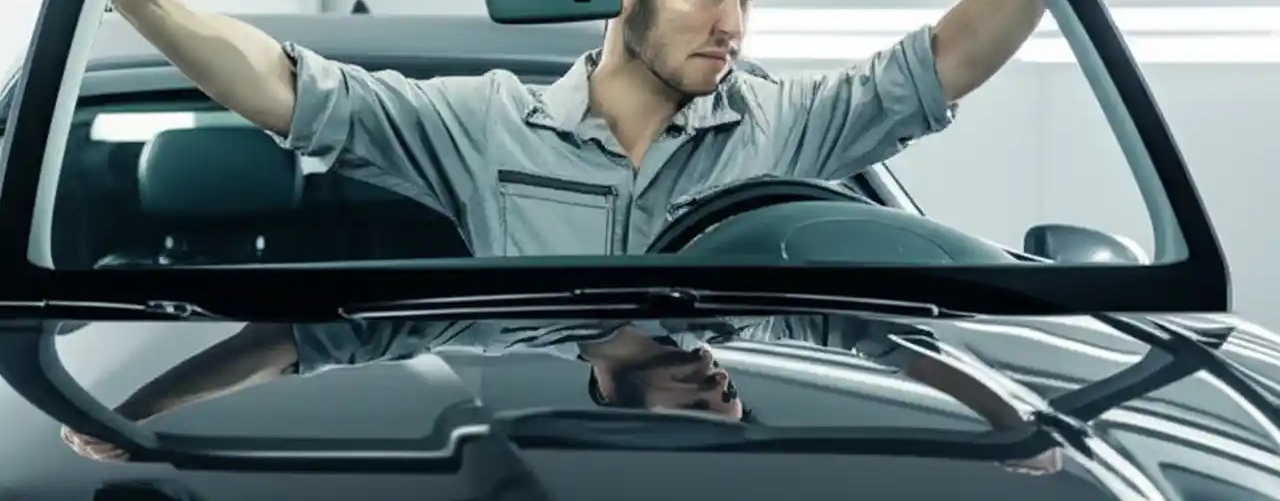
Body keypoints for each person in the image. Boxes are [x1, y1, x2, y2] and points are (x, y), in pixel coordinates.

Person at [44, 0, 1093, 473]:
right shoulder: (483, 127)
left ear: (608, 400)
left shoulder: (794, 135)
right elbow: (284, 89)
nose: (731, 26)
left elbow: (940, 67)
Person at [62, 312, 1063, 474]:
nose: (719, 385)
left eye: (698, 407)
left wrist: (128, 414)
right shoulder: (738, 305)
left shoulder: (493, 316)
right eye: (727, 400)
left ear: (602, 393)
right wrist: (1007, 422)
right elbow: (886, 341)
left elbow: (290, 343)